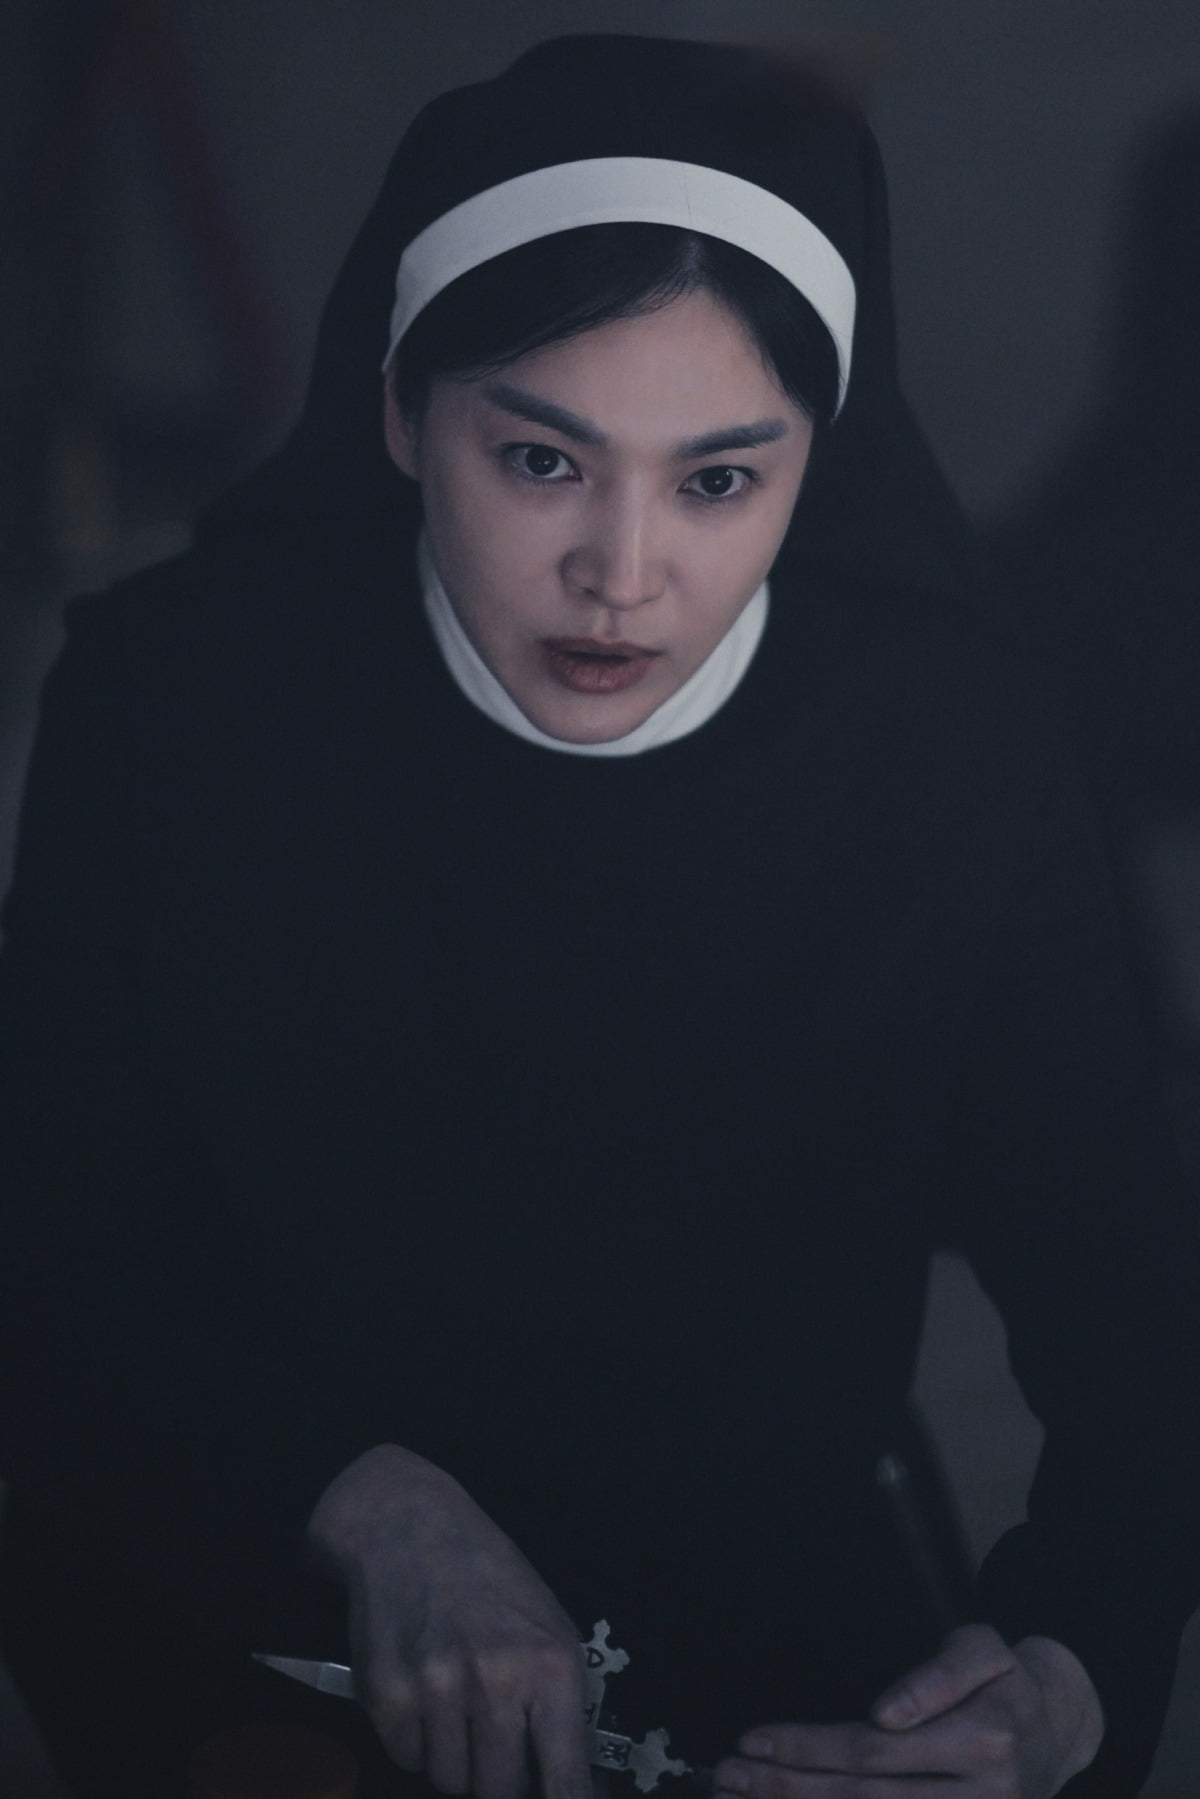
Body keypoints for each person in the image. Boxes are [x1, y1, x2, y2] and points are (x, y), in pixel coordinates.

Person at [1, 32, 1198, 1799]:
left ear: (816, 459)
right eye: (543, 461)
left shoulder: (964, 756)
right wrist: (363, 1497)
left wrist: (1072, 1663)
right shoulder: (172, 704)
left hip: (760, 1582)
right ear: (403, 415)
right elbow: (52, 1248)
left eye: (720, 479)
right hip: (253, 1537)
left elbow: (1136, 1304)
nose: (622, 575)